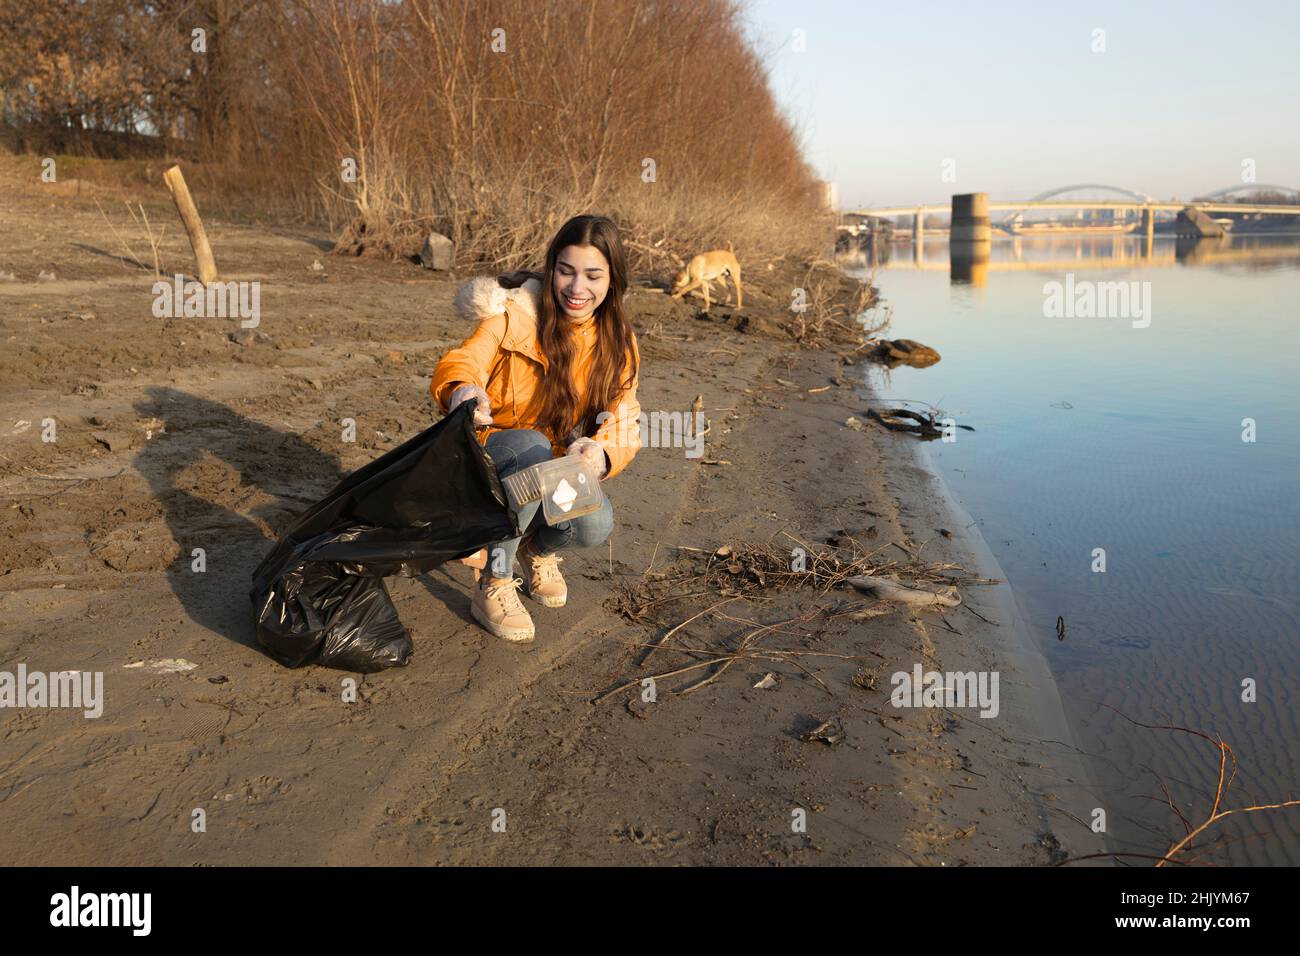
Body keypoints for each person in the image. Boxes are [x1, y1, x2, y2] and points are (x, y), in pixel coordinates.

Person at [430, 215, 642, 643]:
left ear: (612, 280)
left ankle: (536, 550)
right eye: (566, 271)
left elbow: (624, 418)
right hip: (489, 460)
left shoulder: (619, 342)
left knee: (594, 524)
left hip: (549, 466)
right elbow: (464, 358)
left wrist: (599, 454)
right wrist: (463, 389)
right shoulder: (512, 314)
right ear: (551, 269)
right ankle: (494, 579)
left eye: (592, 275)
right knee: (529, 446)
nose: (576, 288)